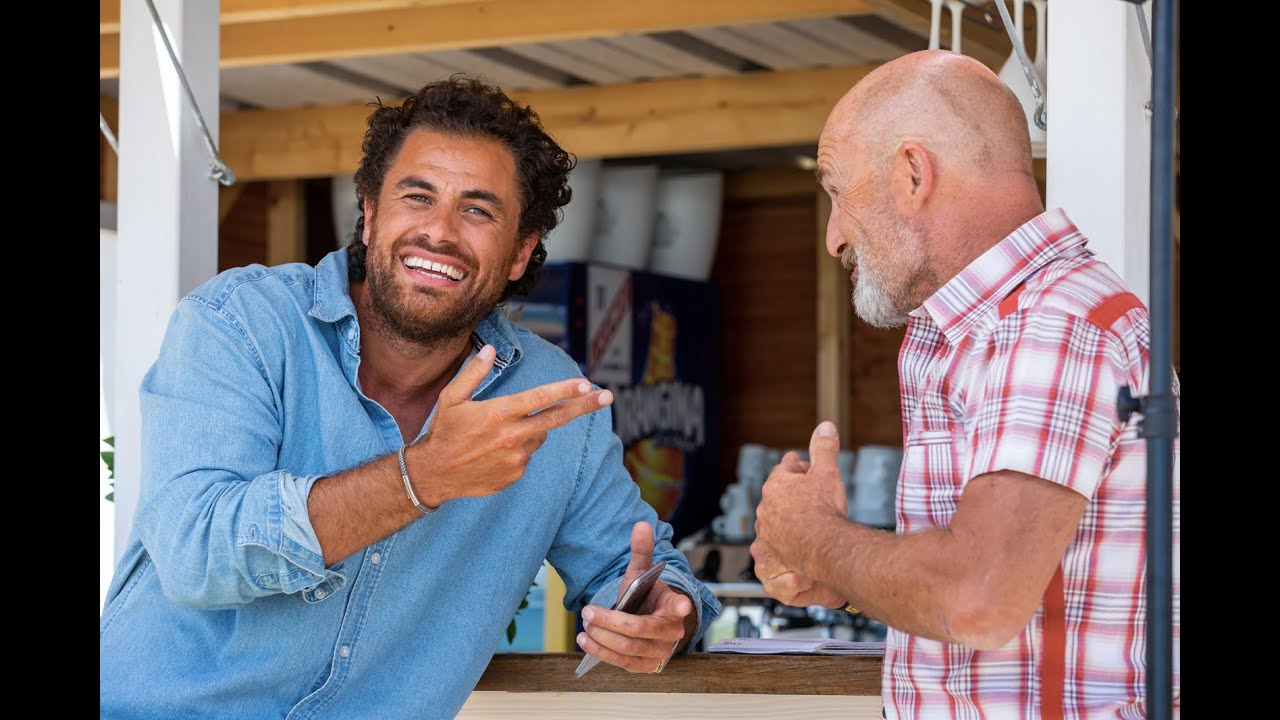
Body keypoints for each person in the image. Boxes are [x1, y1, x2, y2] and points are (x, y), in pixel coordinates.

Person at [100, 76, 720, 719]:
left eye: (478, 210)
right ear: (369, 215)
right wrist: (421, 476)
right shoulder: (242, 324)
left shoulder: (549, 400)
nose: (439, 232)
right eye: (417, 196)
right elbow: (197, 552)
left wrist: (662, 612)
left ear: (520, 252)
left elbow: (639, 566)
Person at [750, 50, 1179, 718]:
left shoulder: (1050, 326)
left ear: (913, 173)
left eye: (837, 191)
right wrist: (839, 574)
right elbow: (997, 596)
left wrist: (819, 540)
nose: (834, 236)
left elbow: (977, 600)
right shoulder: (983, 330)